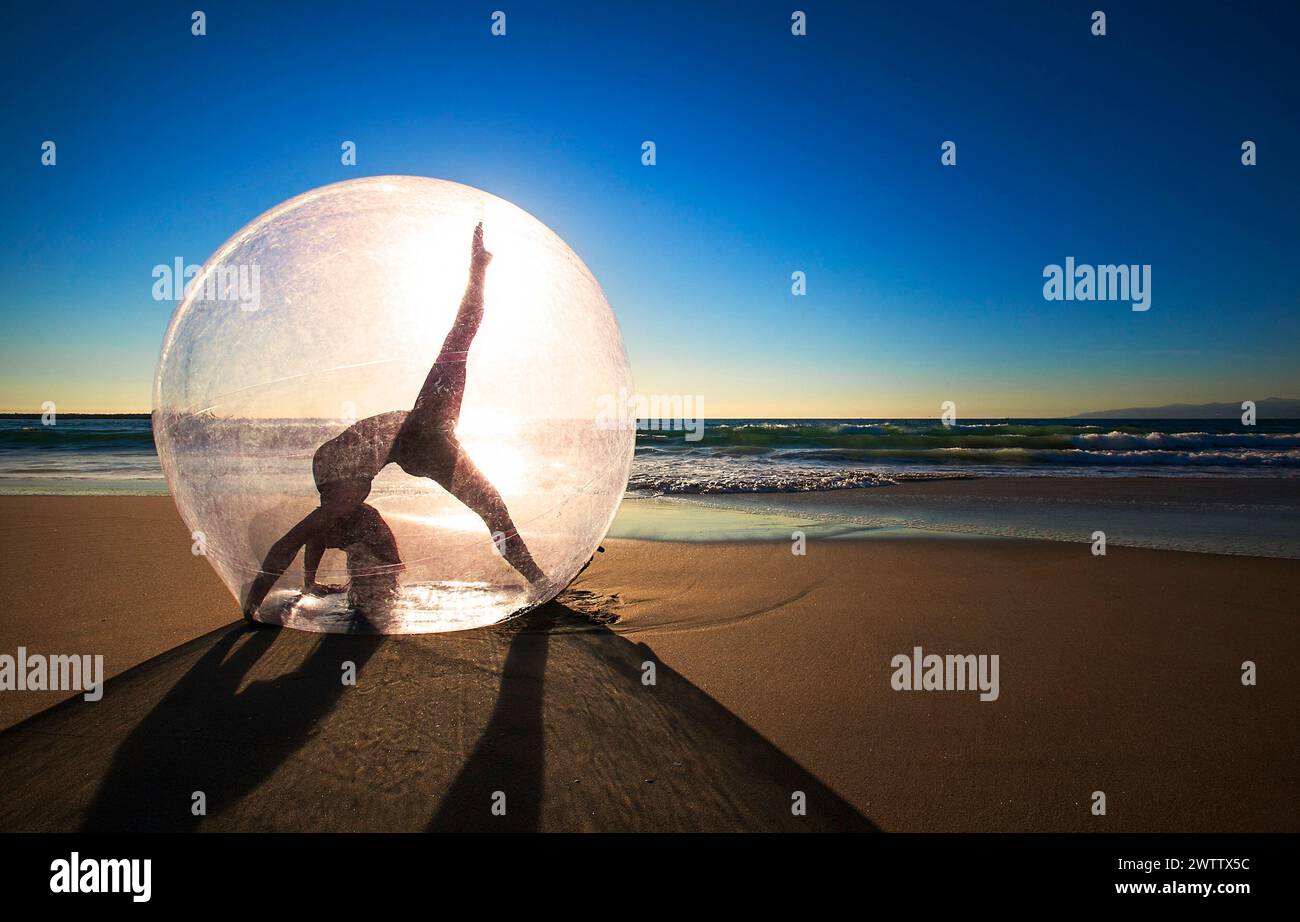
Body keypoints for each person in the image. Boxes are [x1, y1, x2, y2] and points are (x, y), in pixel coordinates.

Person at [241, 222, 544, 622]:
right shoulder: (352, 483)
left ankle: (537, 578)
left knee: (490, 508)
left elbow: (300, 536)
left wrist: (263, 600)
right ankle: (537, 578)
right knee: (489, 508)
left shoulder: (390, 450)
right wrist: (255, 606)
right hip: (397, 445)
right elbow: (295, 538)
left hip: (406, 440)